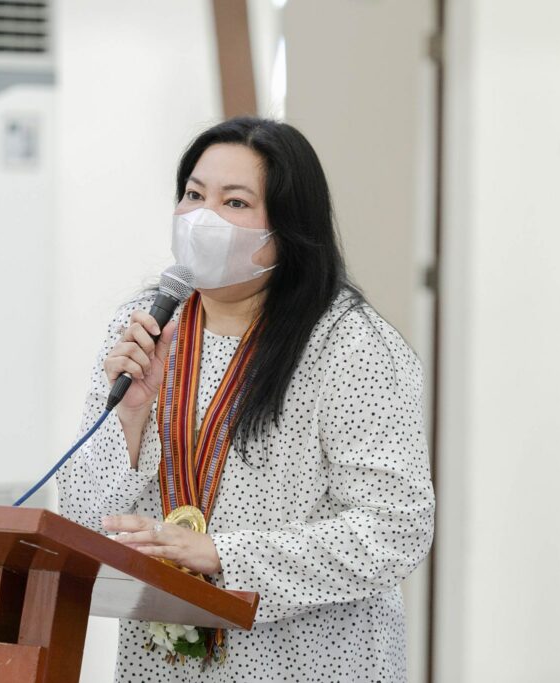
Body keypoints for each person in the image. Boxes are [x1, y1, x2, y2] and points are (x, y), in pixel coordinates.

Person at [56, 117, 434, 683]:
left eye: (234, 203)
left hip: (309, 663)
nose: (203, 218)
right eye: (193, 195)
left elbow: (397, 528)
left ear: (287, 227)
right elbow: (85, 521)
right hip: (163, 666)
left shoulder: (348, 345)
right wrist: (130, 417)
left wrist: (223, 557)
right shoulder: (148, 329)